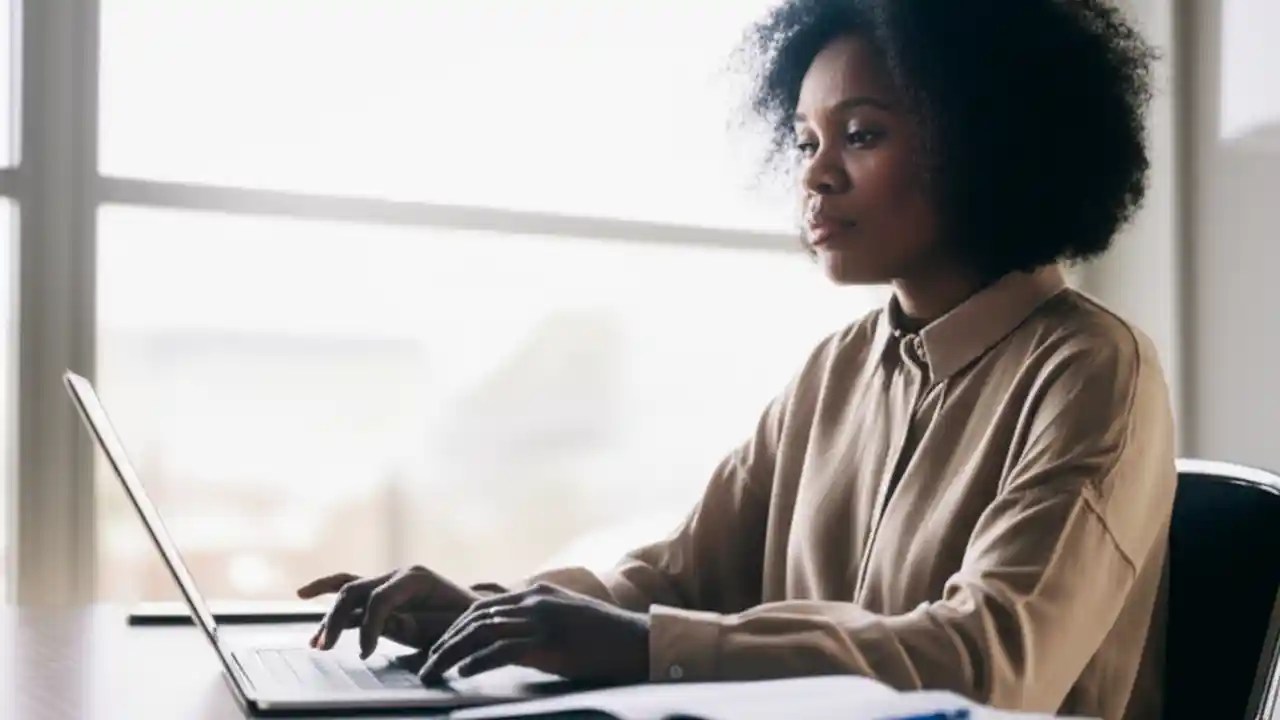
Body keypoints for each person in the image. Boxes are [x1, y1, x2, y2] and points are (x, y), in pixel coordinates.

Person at [297, 1, 1173, 717]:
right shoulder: (838, 369)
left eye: (861, 134)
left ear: (988, 137)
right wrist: (491, 609)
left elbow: (990, 666)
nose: (815, 176)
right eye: (804, 141)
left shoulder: (1092, 371)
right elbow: (682, 574)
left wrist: (644, 646)